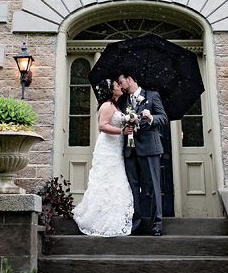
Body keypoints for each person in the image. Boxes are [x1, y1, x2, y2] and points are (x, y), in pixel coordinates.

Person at [72, 79, 134, 237]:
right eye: (117, 85)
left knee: (116, 183)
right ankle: (99, 219)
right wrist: (122, 131)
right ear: (111, 90)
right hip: (107, 150)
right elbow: (102, 126)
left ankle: (114, 218)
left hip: (116, 149)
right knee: (106, 182)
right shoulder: (107, 105)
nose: (120, 87)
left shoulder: (116, 105)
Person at [118, 71, 168, 236]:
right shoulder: (123, 100)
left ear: (130, 79)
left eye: (121, 83)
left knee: (154, 186)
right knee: (132, 188)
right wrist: (126, 127)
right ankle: (135, 223)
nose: (120, 87)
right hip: (130, 150)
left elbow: (163, 118)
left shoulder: (152, 96)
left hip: (149, 148)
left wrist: (150, 117)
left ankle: (157, 225)